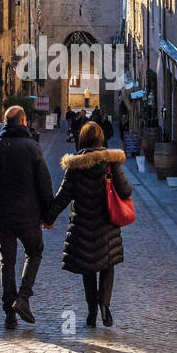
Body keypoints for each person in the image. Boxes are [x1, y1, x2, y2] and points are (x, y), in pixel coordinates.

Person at [44, 119, 133, 328]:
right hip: (107, 225)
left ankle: (92, 311)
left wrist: (48, 218)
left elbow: (62, 198)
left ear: (81, 140)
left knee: (88, 269)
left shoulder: (75, 167)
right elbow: (126, 191)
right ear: (101, 139)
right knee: (107, 265)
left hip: (82, 226)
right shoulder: (110, 162)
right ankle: (105, 306)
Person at [0, 104, 54, 329]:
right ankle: (23, 298)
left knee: (6, 262)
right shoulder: (32, 148)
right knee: (35, 252)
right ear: (23, 121)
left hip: (3, 215)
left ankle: (9, 312)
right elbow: (45, 184)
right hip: (29, 215)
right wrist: (48, 215)